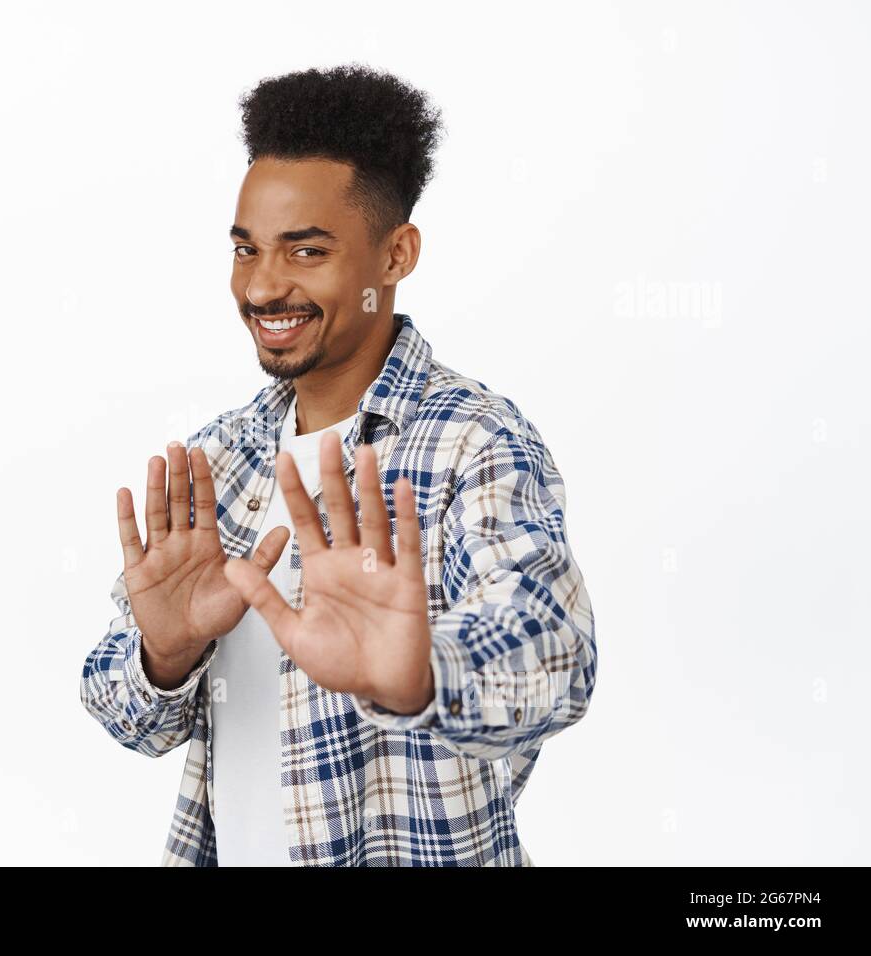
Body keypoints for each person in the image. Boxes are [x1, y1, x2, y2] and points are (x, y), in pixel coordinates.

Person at [80, 63, 598, 866]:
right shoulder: (221, 457)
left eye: (306, 251)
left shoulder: (471, 441)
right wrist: (165, 655)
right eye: (245, 249)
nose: (261, 287)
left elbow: (555, 660)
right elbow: (123, 715)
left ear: (396, 255)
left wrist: (418, 674)